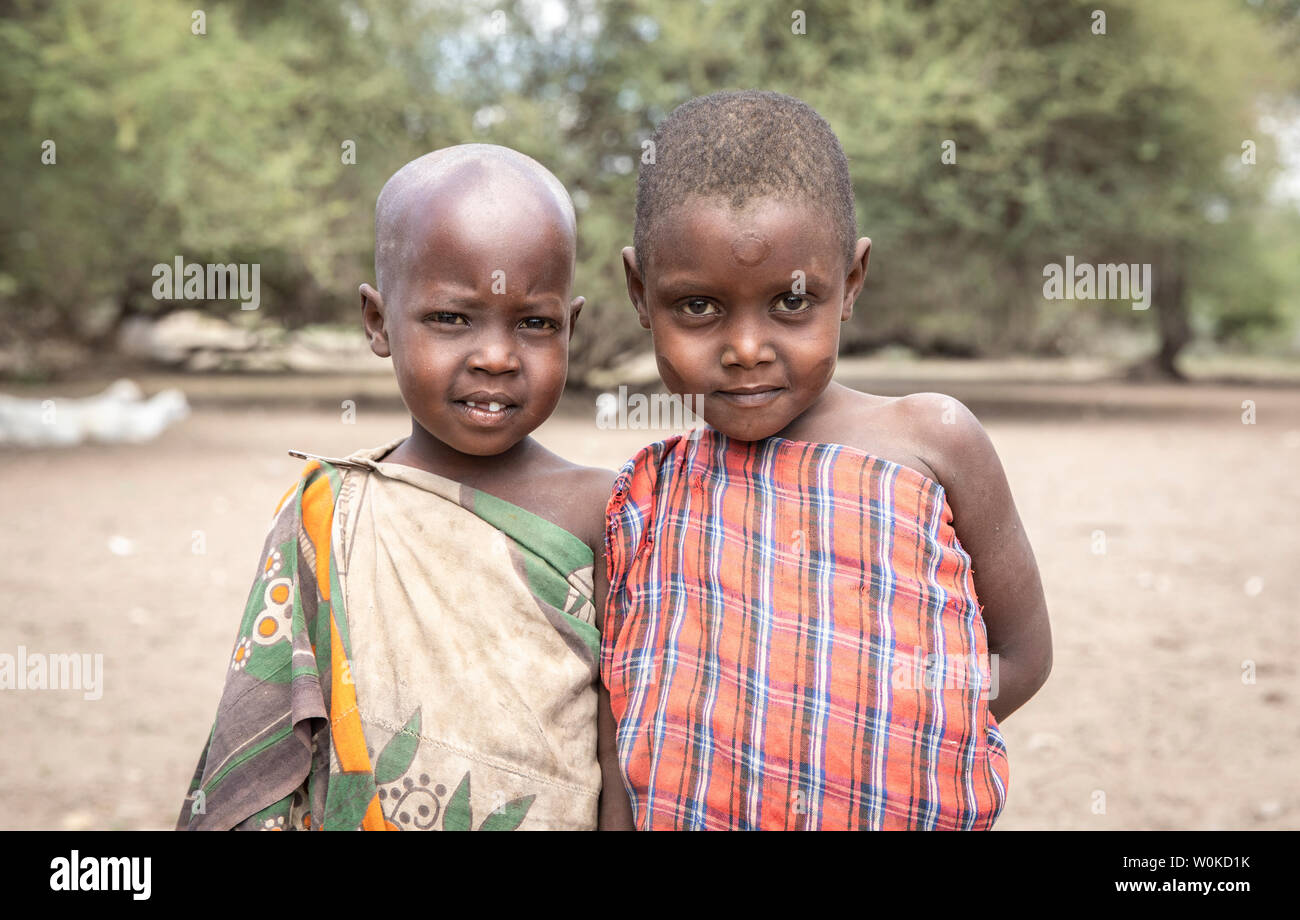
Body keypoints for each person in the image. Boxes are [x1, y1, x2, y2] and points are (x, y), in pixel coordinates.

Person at [602, 91, 1053, 830]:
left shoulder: (932, 443)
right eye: (698, 307)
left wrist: (887, 733)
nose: (746, 348)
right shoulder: (646, 494)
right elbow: (622, 698)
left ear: (851, 281)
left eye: (791, 302)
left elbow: (1022, 655)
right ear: (639, 292)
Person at [177, 144, 630, 830]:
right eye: (452, 318)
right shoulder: (329, 514)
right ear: (378, 322)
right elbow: (268, 741)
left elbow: (621, 746)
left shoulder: (605, 510)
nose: (497, 357)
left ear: (570, 326)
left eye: (534, 324)